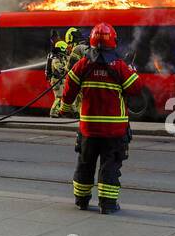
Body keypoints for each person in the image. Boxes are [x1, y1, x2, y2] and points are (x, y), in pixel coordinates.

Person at [60, 22, 146, 215]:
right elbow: (136, 88)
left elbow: (69, 87)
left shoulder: (83, 64)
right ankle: (107, 205)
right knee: (110, 166)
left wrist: (65, 107)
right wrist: (132, 69)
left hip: (88, 129)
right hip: (114, 131)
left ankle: (81, 200)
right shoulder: (119, 66)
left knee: (85, 163)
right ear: (113, 41)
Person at [45, 40, 77, 118]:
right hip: (56, 81)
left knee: (65, 96)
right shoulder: (55, 59)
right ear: (62, 48)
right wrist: (67, 67)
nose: (66, 50)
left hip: (60, 81)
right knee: (59, 97)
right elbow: (60, 69)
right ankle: (53, 112)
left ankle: (73, 111)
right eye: (65, 49)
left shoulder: (61, 57)